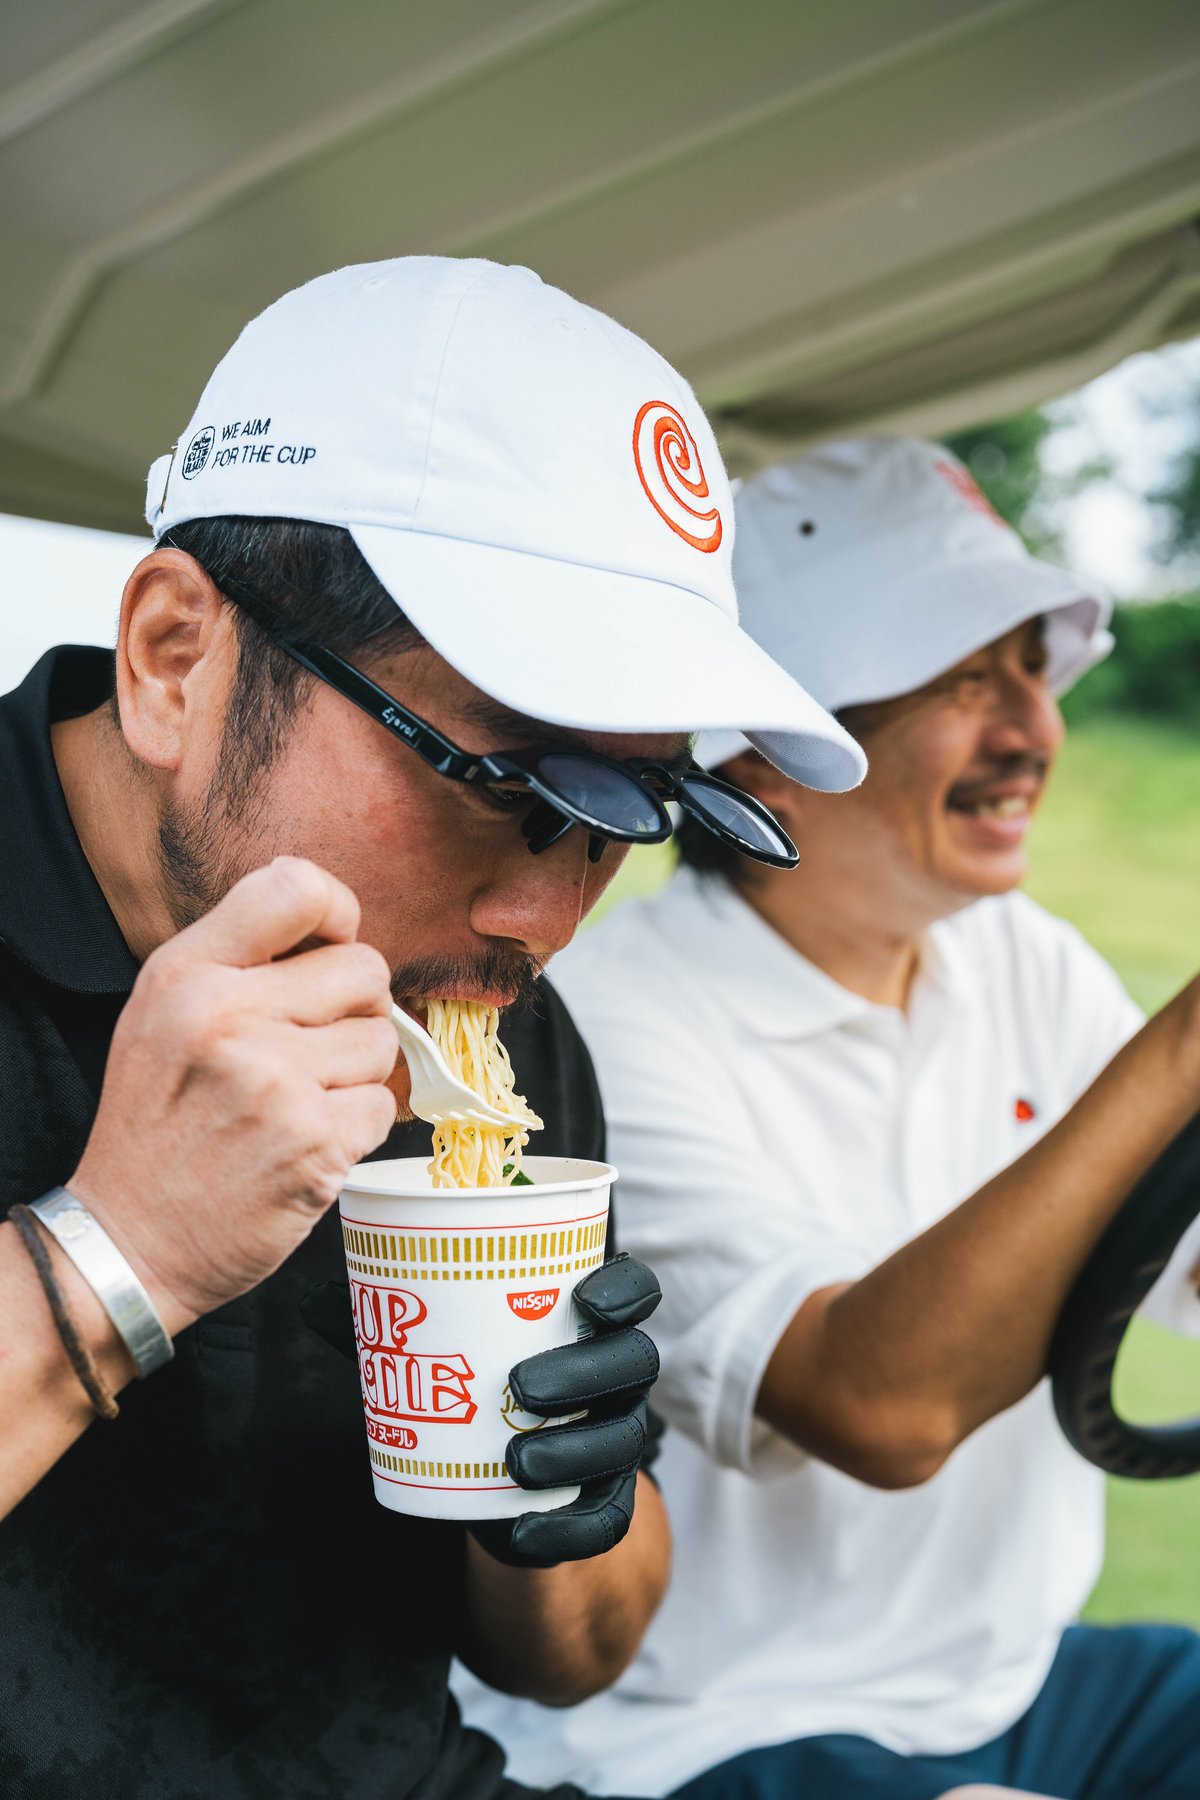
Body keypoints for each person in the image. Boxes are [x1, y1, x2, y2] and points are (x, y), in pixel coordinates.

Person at [0, 259, 867, 1800]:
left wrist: (554, 1510)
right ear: (175, 657)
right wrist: (125, 1246)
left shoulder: (496, 1024)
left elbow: (581, 1652)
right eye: (500, 785)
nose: (546, 919)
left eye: (624, 817)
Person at [454, 437, 1200, 1800]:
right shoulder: (607, 1029)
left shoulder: (1025, 959)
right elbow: (874, 1405)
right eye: (966, 678)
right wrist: (1186, 1050)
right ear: (767, 763)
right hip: (713, 1732)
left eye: (1032, 670)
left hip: (1012, 1681)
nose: (1035, 730)